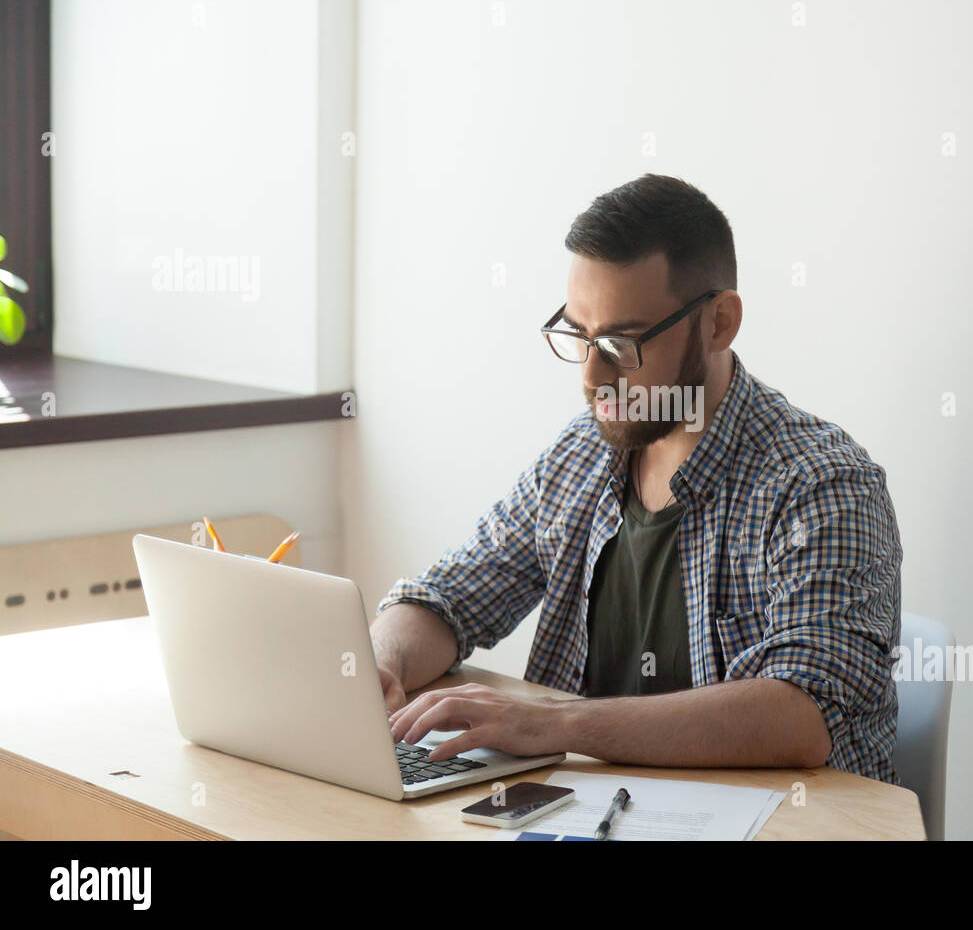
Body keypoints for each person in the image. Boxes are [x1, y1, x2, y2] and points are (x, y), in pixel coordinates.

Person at [375, 173, 904, 783]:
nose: (592, 377)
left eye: (622, 345)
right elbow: (448, 598)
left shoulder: (821, 485)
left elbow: (804, 714)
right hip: (591, 814)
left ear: (719, 323)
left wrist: (556, 725)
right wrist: (380, 666)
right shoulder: (580, 455)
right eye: (578, 335)